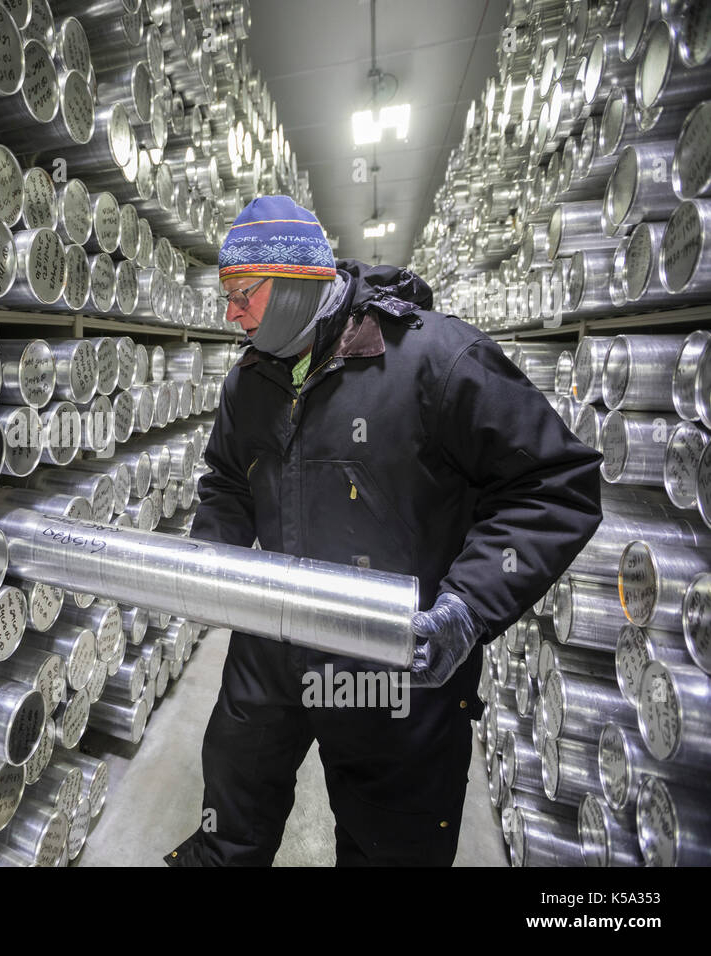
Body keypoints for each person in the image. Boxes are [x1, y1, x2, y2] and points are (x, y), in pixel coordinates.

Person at [164, 195, 602, 867]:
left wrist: (467, 607)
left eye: (242, 295)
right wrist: (210, 555)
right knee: (229, 826)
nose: (231, 314)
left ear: (293, 283)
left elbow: (553, 482)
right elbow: (227, 480)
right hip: (271, 653)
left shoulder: (437, 359)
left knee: (388, 851)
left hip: (398, 668)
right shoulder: (248, 383)